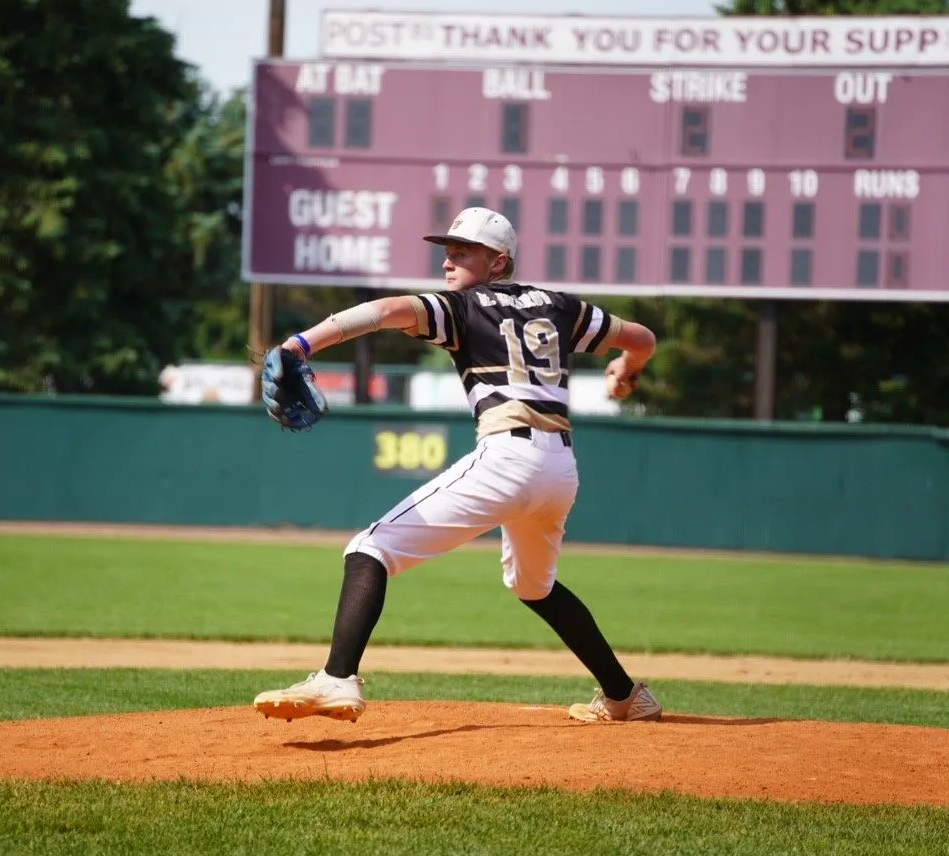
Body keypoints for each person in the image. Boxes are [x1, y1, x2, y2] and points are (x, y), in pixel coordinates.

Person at [253, 207, 662, 724]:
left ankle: (337, 679)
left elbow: (384, 311)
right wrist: (627, 368)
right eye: (447, 250)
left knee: (370, 547)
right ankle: (627, 697)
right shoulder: (561, 306)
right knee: (534, 586)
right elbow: (642, 338)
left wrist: (299, 344)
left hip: (508, 458)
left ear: (499, 262)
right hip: (559, 470)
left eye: (463, 251)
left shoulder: (462, 308)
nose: (449, 261)